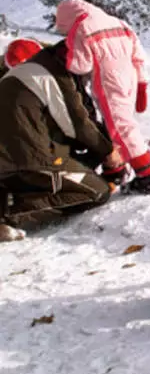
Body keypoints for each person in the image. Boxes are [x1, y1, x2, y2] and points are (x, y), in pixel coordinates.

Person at [0, 40, 117, 242]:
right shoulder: (44, 74)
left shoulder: (11, 77)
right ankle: (12, 214)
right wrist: (108, 151)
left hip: (11, 161)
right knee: (97, 191)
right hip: (29, 160)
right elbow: (75, 124)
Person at [54, 0, 150, 194]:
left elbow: (79, 65)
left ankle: (148, 175)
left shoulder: (81, 26)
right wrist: (141, 84)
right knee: (120, 125)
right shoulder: (119, 22)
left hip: (108, 82)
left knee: (121, 127)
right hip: (130, 78)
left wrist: (66, 52)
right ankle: (117, 168)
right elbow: (138, 55)